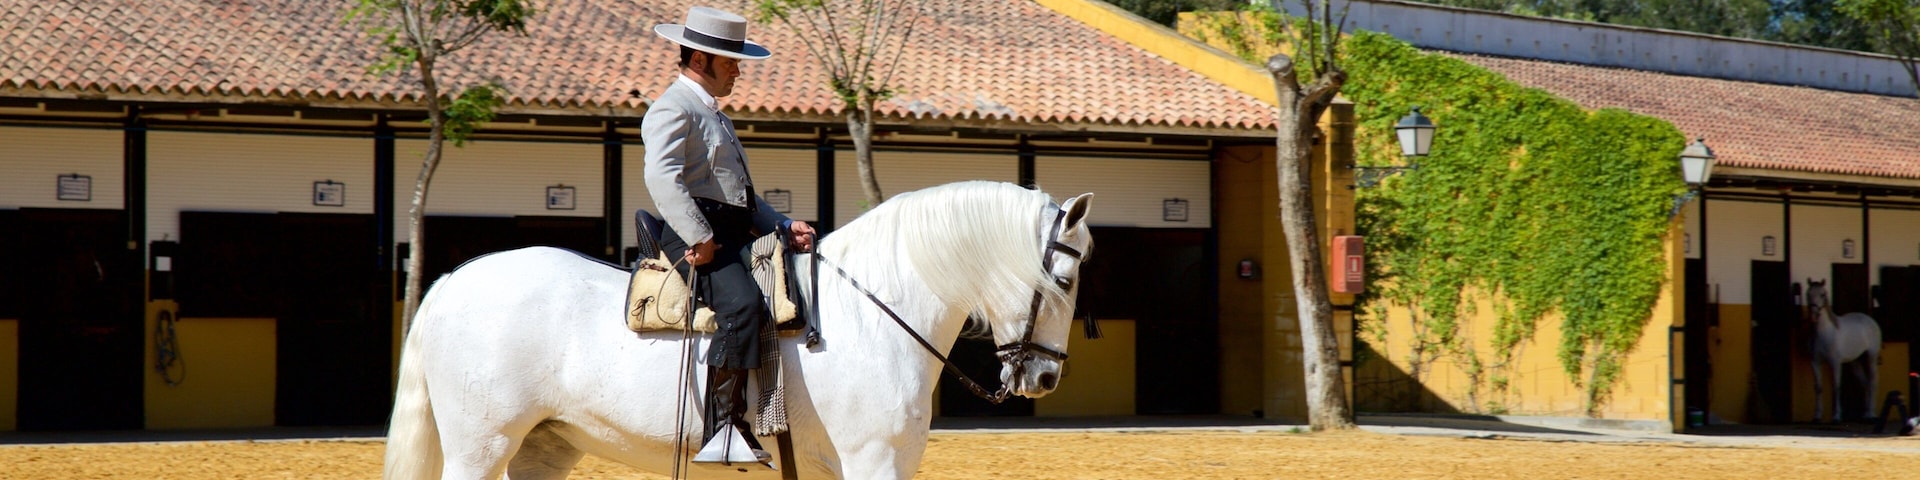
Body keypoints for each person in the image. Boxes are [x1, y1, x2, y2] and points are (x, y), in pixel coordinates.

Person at [643, 6, 816, 462]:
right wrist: (698, 237)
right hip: (695, 235)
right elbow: (663, 180)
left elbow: (741, 197)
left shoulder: (713, 113)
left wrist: (781, 224)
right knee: (741, 303)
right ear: (700, 61)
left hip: (732, 230)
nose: (739, 70)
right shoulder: (671, 107)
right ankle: (723, 431)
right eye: (731, 61)